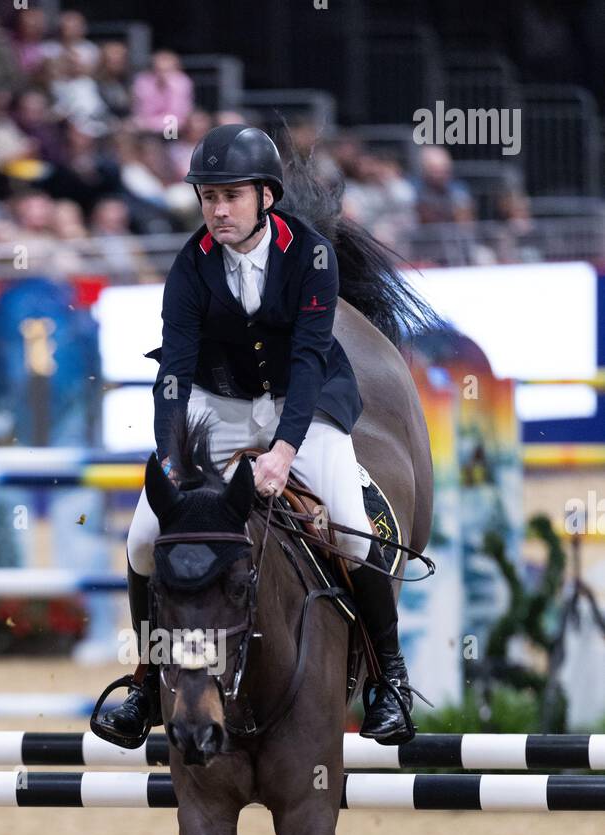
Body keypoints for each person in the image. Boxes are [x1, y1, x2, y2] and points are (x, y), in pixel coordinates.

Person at [94, 122, 417, 748]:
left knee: (349, 527)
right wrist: (170, 456)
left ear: (265, 197)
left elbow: (307, 361)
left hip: (308, 404)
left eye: (230, 196)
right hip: (222, 407)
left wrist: (284, 452)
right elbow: (175, 370)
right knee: (140, 539)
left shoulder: (312, 258)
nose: (216, 209)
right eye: (207, 197)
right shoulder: (191, 265)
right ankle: (142, 681)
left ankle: (389, 679)